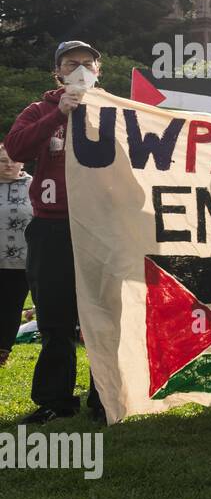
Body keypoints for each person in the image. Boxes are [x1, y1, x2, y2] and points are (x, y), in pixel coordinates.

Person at [3, 40, 106, 424]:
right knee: (55, 319)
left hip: (100, 226)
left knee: (102, 316)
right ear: (58, 73)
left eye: (87, 63)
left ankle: (104, 398)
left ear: (98, 71)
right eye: (70, 63)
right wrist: (58, 115)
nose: (79, 69)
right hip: (51, 226)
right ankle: (55, 400)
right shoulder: (38, 110)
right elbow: (15, 147)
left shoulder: (113, 109)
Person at [0, 144, 33, 368]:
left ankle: (3, 351)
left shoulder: (35, 186)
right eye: (3, 161)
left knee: (11, 307)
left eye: (14, 159)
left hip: (23, 261)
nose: (9, 164)